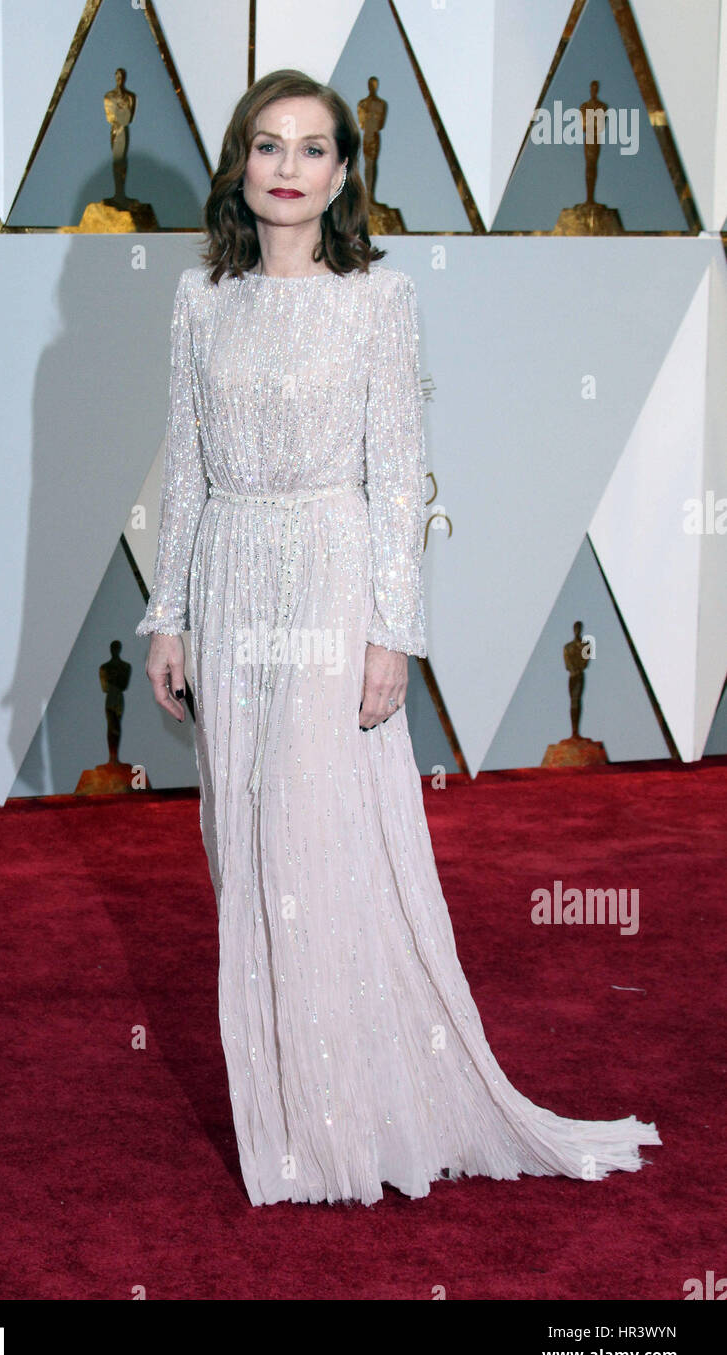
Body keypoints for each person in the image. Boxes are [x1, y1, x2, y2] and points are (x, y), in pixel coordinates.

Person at [136, 69, 661, 1206]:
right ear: (240, 165)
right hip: (230, 572)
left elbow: (395, 479)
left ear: (340, 172)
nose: (287, 166)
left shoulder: (378, 298)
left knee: (320, 833)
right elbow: (182, 465)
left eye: (311, 148)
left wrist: (391, 635)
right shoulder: (197, 300)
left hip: (329, 574)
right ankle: (287, 1118)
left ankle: (355, 1119)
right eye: (266, 145)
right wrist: (166, 609)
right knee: (248, 843)